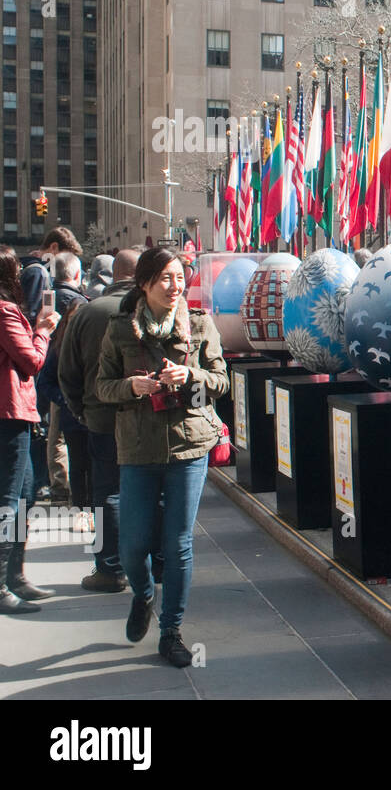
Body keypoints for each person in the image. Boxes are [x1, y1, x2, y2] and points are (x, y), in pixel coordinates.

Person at [96, 247, 229, 666]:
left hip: (188, 446)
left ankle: (171, 631)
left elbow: (221, 382)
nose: (175, 287)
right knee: (133, 546)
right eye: (165, 279)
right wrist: (130, 388)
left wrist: (192, 375)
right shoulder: (120, 330)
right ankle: (143, 595)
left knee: (178, 543)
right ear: (144, 283)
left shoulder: (199, 325)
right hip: (136, 449)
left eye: (179, 277)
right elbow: (101, 387)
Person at [60, 249, 138, 592]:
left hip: (101, 419)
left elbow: (67, 372)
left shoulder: (87, 312)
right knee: (153, 492)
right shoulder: (150, 310)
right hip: (146, 420)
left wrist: (81, 410)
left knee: (107, 493)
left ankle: (109, 568)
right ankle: (156, 566)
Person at [0, 246, 60, 614]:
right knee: (9, 501)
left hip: (15, 413)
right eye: (17, 267)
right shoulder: (5, 311)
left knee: (23, 495)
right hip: (9, 415)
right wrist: (43, 331)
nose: (23, 273)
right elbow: (32, 360)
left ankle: (14, 576)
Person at [44, 252, 87, 506]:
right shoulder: (80, 303)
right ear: (76, 274)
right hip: (68, 383)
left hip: (54, 375)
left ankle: (60, 486)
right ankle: (69, 491)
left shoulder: (48, 297)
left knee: (56, 436)